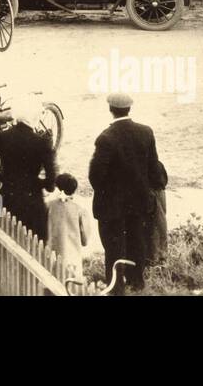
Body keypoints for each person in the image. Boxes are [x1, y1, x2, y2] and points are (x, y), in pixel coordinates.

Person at [88, 92, 162, 294]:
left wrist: (107, 194)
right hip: (139, 202)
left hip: (112, 206)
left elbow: (96, 175)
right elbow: (153, 167)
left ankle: (116, 286)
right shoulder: (146, 132)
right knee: (137, 241)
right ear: (129, 108)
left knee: (113, 246)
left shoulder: (106, 138)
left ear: (110, 109)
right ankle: (136, 282)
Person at [0, 96, 57, 242]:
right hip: (32, 201)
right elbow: (51, 183)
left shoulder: (0, 136)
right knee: (35, 247)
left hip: (5, 196)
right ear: (35, 116)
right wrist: (37, 182)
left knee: (1, 240)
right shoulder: (42, 143)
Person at [46, 172, 90, 285]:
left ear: (58, 188)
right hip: (72, 260)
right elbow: (85, 241)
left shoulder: (48, 206)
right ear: (73, 190)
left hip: (51, 257)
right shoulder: (80, 210)